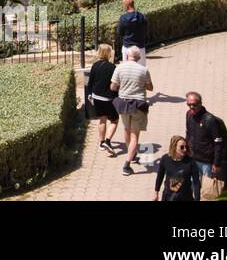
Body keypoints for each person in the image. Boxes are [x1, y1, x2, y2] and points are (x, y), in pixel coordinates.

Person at [110, 47, 154, 176]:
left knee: (126, 130)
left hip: (123, 103)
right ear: (139, 58)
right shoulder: (143, 70)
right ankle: (127, 164)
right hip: (138, 104)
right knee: (135, 135)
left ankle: (131, 153)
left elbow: (113, 86)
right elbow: (150, 87)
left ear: (127, 56)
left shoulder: (119, 68)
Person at [184, 92, 227, 199]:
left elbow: (218, 143)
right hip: (192, 158)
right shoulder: (188, 114)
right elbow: (188, 133)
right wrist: (185, 150)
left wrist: (216, 163)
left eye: (194, 104)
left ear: (200, 103)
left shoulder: (210, 120)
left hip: (207, 162)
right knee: (191, 186)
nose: (191, 107)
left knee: (206, 189)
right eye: (189, 104)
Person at [86, 43, 121, 154]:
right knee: (115, 120)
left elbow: (90, 81)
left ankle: (101, 143)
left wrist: (89, 94)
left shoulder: (95, 65)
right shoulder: (112, 67)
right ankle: (108, 140)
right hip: (108, 99)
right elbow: (115, 85)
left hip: (96, 97)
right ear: (109, 53)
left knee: (102, 119)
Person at [154, 135, 200, 202]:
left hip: (185, 197)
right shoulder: (165, 159)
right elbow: (160, 176)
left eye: (186, 147)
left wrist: (197, 198)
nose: (185, 149)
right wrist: (156, 193)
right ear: (174, 147)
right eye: (182, 147)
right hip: (168, 196)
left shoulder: (191, 162)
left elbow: (196, 183)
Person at [114, 0, 148, 64]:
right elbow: (146, 29)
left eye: (124, 5)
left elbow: (119, 32)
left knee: (127, 70)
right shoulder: (141, 16)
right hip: (140, 47)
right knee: (141, 69)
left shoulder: (123, 18)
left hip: (127, 47)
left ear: (127, 5)